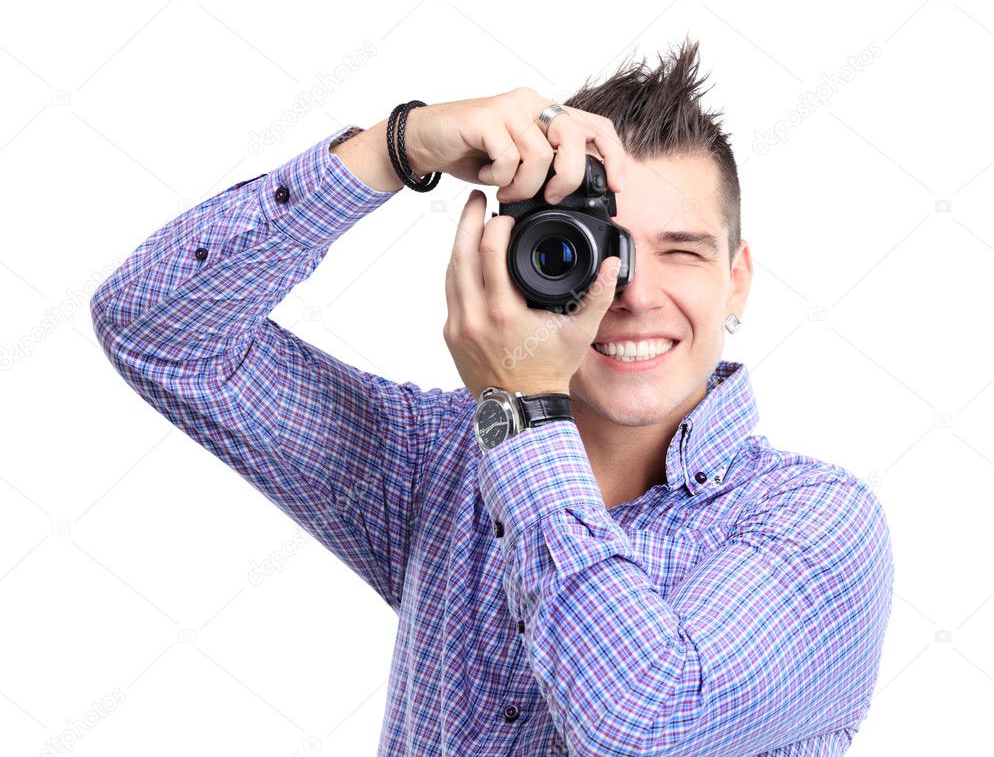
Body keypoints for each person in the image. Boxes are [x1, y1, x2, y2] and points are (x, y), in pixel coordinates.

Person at [91, 39, 894, 756]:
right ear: (520, 258)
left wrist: (520, 406)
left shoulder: (817, 523)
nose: (629, 291)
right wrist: (391, 148)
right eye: (592, 247)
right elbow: (156, 330)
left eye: (680, 252)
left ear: (737, 281)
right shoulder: (438, 460)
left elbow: (640, 724)